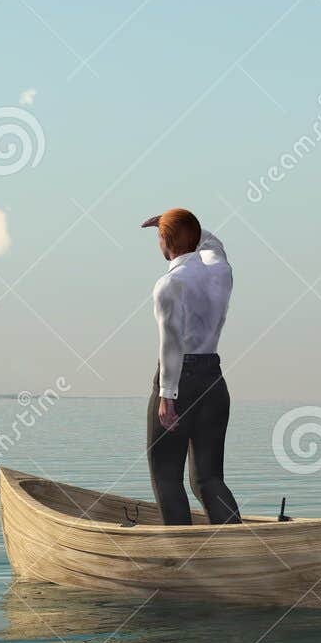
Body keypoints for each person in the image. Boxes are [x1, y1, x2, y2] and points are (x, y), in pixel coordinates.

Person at [140, 209, 241, 526]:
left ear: (164, 241)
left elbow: (171, 343)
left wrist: (167, 397)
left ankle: (181, 557)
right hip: (213, 378)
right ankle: (235, 550)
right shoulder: (220, 270)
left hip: (180, 379)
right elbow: (214, 243)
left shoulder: (169, 284)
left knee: (167, 475)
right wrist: (185, 225)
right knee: (208, 479)